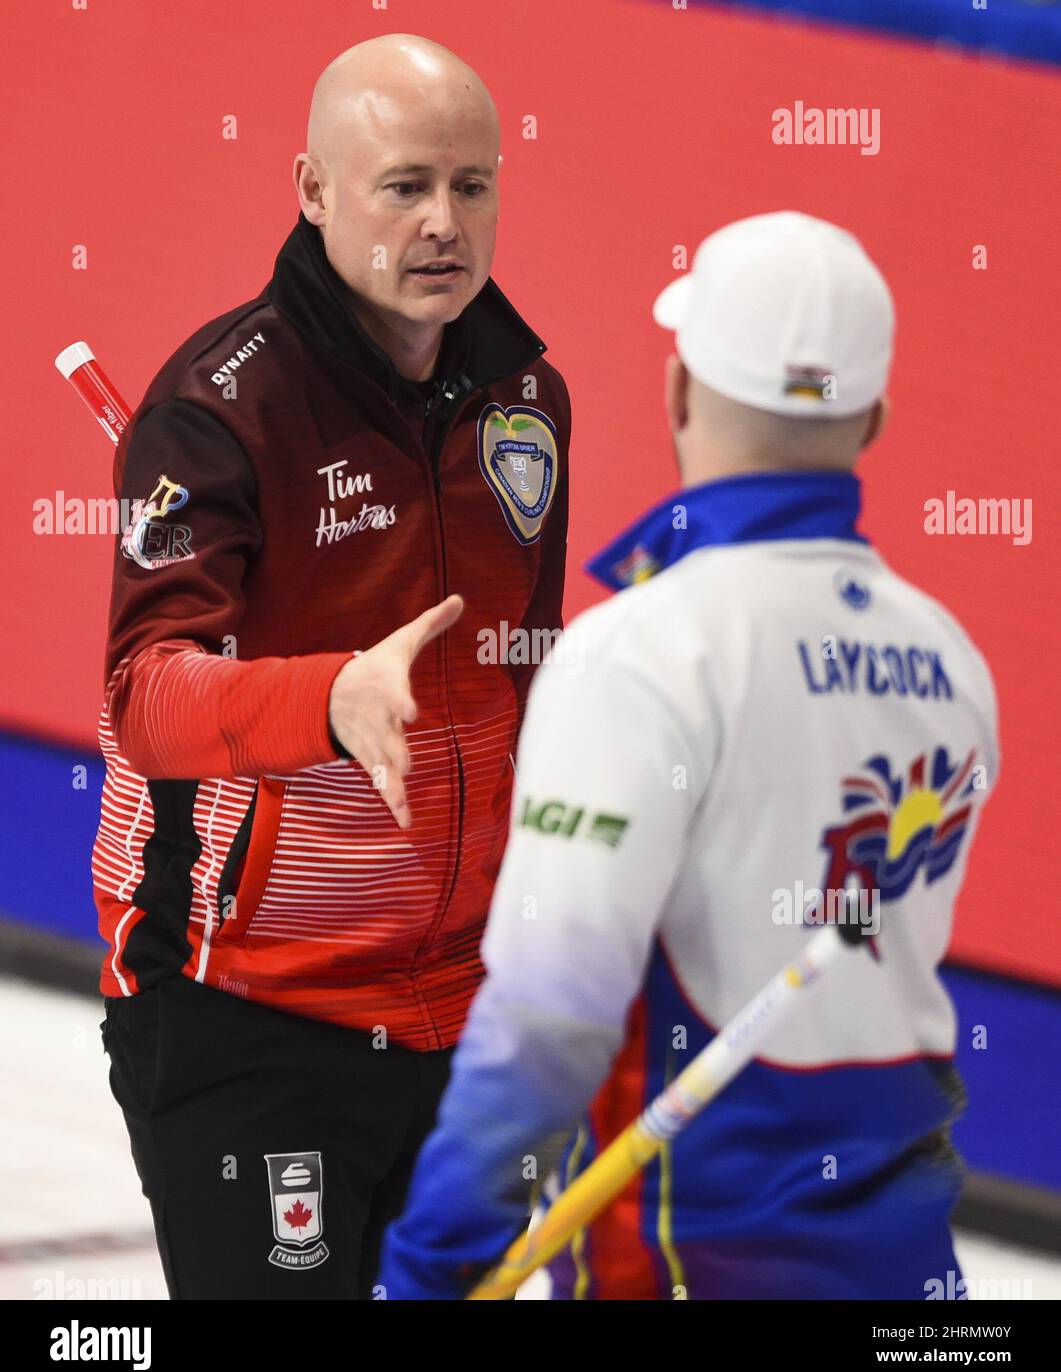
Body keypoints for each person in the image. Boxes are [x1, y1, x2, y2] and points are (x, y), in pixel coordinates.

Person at [379, 211, 1000, 1300]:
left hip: (685, 1263)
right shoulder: (948, 660)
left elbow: (546, 1026)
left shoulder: (640, 649)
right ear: (875, 419)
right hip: (915, 1282)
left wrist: (425, 1271)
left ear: (677, 391)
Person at [95, 33, 570, 1299]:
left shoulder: (524, 399)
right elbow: (145, 698)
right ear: (312, 190)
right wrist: (327, 695)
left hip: (461, 1013)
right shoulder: (213, 411)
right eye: (403, 184)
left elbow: (521, 676)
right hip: (247, 1011)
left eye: (472, 186)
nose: (442, 223)